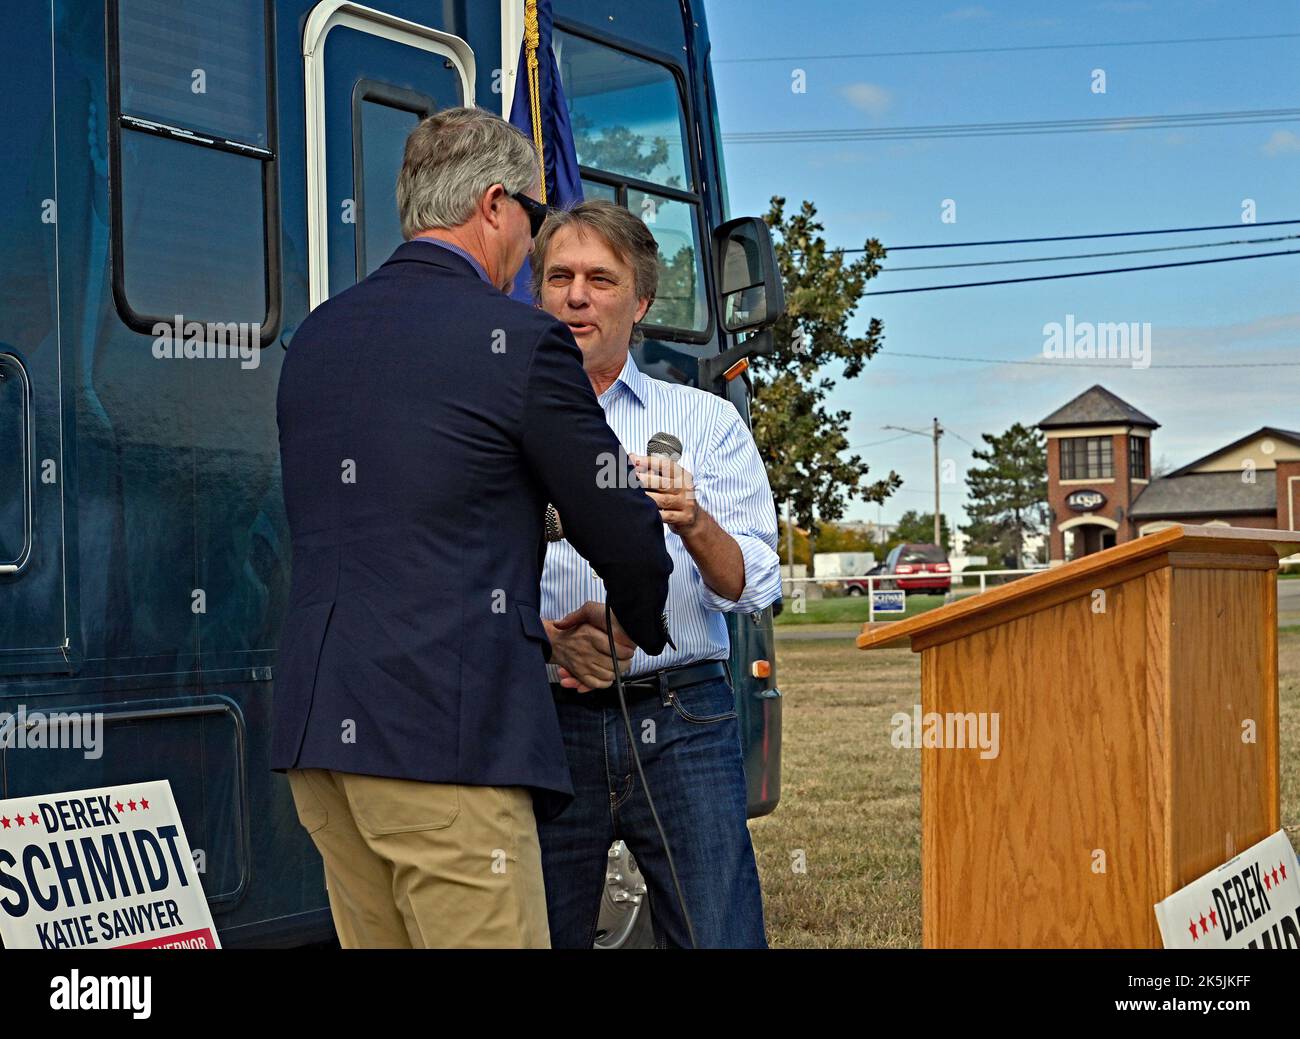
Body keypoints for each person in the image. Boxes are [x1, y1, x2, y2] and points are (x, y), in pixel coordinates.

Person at [272, 109, 673, 948]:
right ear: (495, 204)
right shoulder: (522, 341)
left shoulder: (315, 336)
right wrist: (631, 624)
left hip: (321, 736)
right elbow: (622, 520)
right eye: (533, 218)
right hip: (443, 744)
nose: (532, 251)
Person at [533, 200, 781, 948]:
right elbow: (461, 570)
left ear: (640, 302)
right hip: (548, 720)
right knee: (535, 934)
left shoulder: (705, 421)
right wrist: (549, 639)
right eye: (559, 276)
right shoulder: (504, 420)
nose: (577, 295)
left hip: (682, 721)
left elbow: (753, 585)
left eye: (601, 279)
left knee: (718, 934)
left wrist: (695, 521)